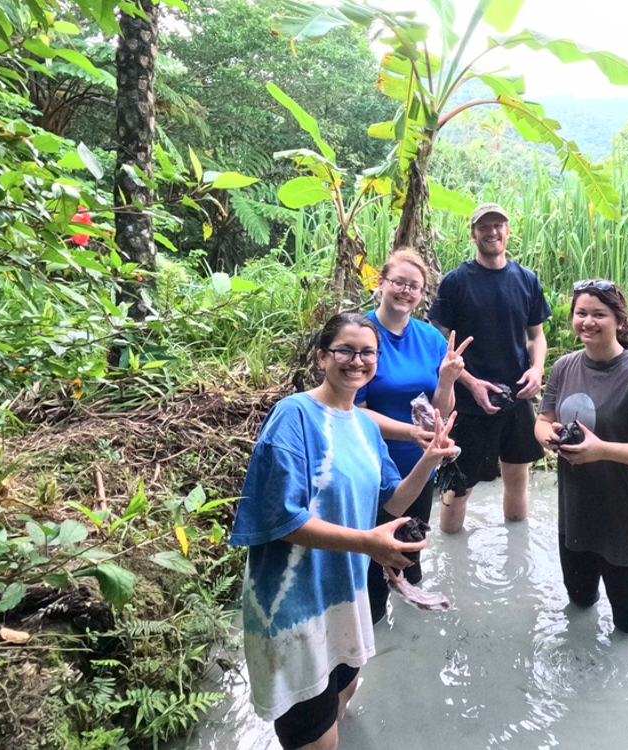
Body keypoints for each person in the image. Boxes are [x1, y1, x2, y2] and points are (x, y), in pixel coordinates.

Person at [230, 312, 456, 750]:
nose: (358, 361)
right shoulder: (293, 415)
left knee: (344, 694)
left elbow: (391, 502)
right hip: (294, 605)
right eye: (345, 351)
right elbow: (280, 517)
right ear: (322, 357)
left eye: (368, 352)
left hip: (346, 596)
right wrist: (369, 543)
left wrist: (429, 458)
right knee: (319, 742)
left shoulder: (366, 426)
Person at [534, 279, 628, 634]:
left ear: (619, 320)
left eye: (599, 314)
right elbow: (542, 420)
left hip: (625, 517)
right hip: (576, 511)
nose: (588, 322)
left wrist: (601, 450)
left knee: (627, 614)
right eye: (581, 313)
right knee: (579, 599)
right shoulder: (565, 367)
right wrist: (549, 438)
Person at [354, 248, 470, 623]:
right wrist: (409, 432)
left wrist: (447, 380)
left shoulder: (430, 338)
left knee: (410, 549)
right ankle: (373, 629)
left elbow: (442, 409)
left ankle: (409, 629)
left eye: (414, 286)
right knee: (373, 562)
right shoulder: (361, 335)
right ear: (381, 283)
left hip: (420, 466)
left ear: (422, 293)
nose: (406, 291)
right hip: (371, 466)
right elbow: (353, 409)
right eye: (398, 282)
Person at [429, 202, 550, 533]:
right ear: (473, 234)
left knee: (518, 481)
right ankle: (451, 555)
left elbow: (536, 336)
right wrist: (471, 382)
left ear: (508, 231)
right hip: (468, 406)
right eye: (484, 227)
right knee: (457, 488)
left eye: (498, 225)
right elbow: (438, 345)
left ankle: (517, 553)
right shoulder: (456, 282)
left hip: (516, 398)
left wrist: (537, 369)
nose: (492, 232)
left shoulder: (526, 280)